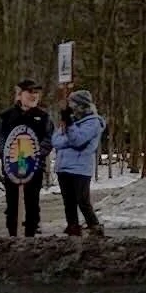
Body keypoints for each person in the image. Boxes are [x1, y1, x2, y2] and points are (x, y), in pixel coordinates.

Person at [0, 79, 54, 237]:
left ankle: (30, 237)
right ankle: (13, 236)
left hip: (34, 168)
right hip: (12, 168)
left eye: (36, 93)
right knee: (12, 205)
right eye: (30, 92)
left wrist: (37, 153)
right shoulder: (5, 116)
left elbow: (50, 138)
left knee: (32, 204)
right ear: (20, 95)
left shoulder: (43, 117)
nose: (34, 96)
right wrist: (7, 154)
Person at [52, 89, 106, 237]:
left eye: (73, 104)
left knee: (82, 200)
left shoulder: (93, 123)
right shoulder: (71, 121)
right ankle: (73, 227)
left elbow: (78, 140)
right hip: (63, 167)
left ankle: (94, 226)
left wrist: (69, 127)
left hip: (80, 168)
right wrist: (69, 137)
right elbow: (56, 141)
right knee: (68, 202)